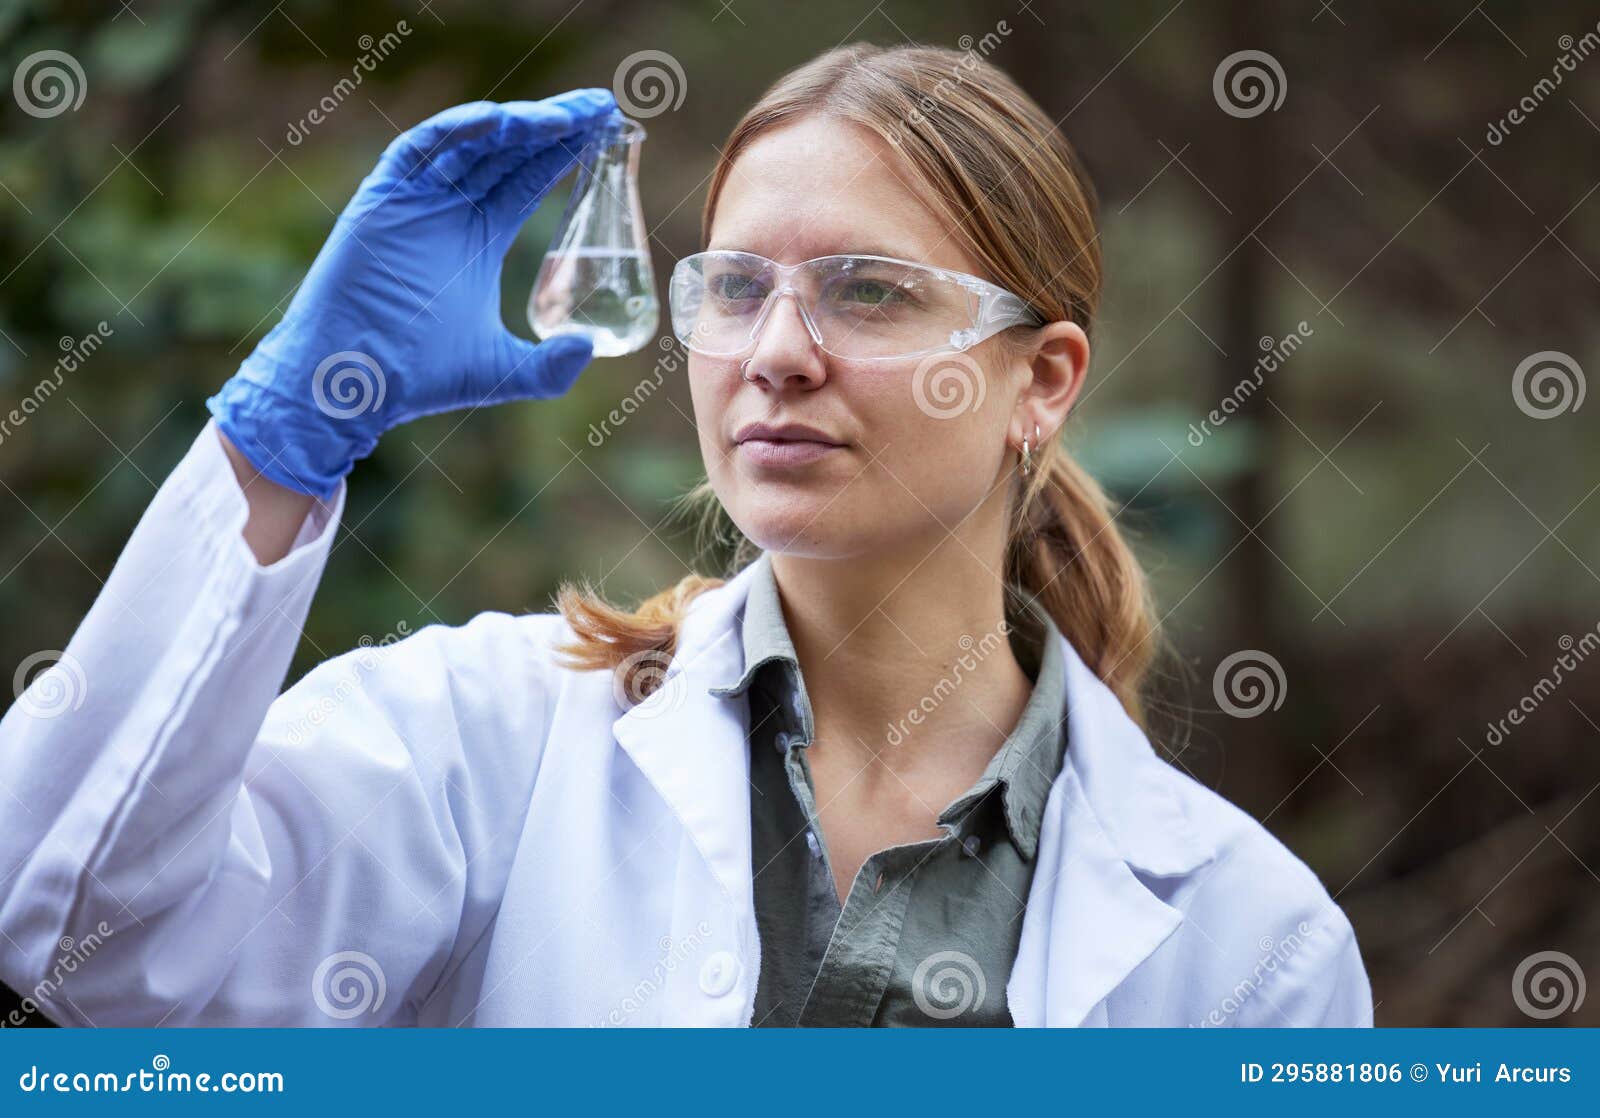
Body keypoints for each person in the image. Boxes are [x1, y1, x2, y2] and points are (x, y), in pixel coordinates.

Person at [0, 43, 1372, 1027]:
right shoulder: (493, 744)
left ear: (1043, 380)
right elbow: (76, 938)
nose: (776, 351)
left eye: (868, 291)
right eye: (733, 285)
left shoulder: (1254, 947)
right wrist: (287, 424)